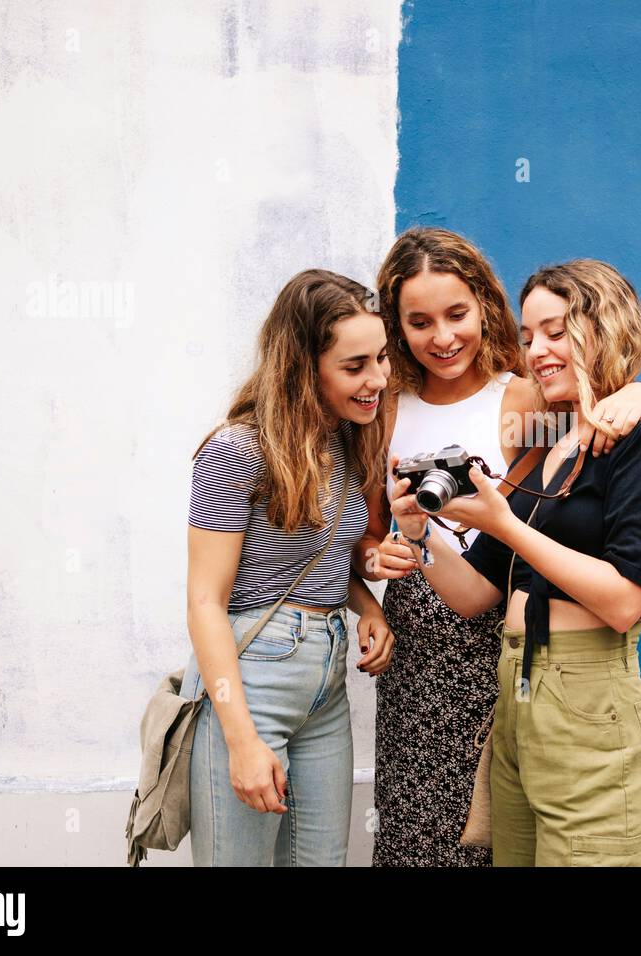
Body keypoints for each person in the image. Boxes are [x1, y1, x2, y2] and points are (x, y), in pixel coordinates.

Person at [358, 227, 641, 866]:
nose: (535, 350)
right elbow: (474, 593)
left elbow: (625, 601)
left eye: (555, 331)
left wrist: (505, 524)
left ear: (606, 326)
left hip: (585, 693)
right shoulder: (552, 450)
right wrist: (420, 531)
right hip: (515, 693)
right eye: (530, 332)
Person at [181, 268, 395, 866]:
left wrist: (368, 605)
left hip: (326, 683)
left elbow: (316, 561)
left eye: (380, 358)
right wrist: (241, 739)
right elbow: (205, 602)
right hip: (253, 681)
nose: (377, 378)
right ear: (304, 366)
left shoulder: (348, 444)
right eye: (355, 366)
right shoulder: (237, 449)